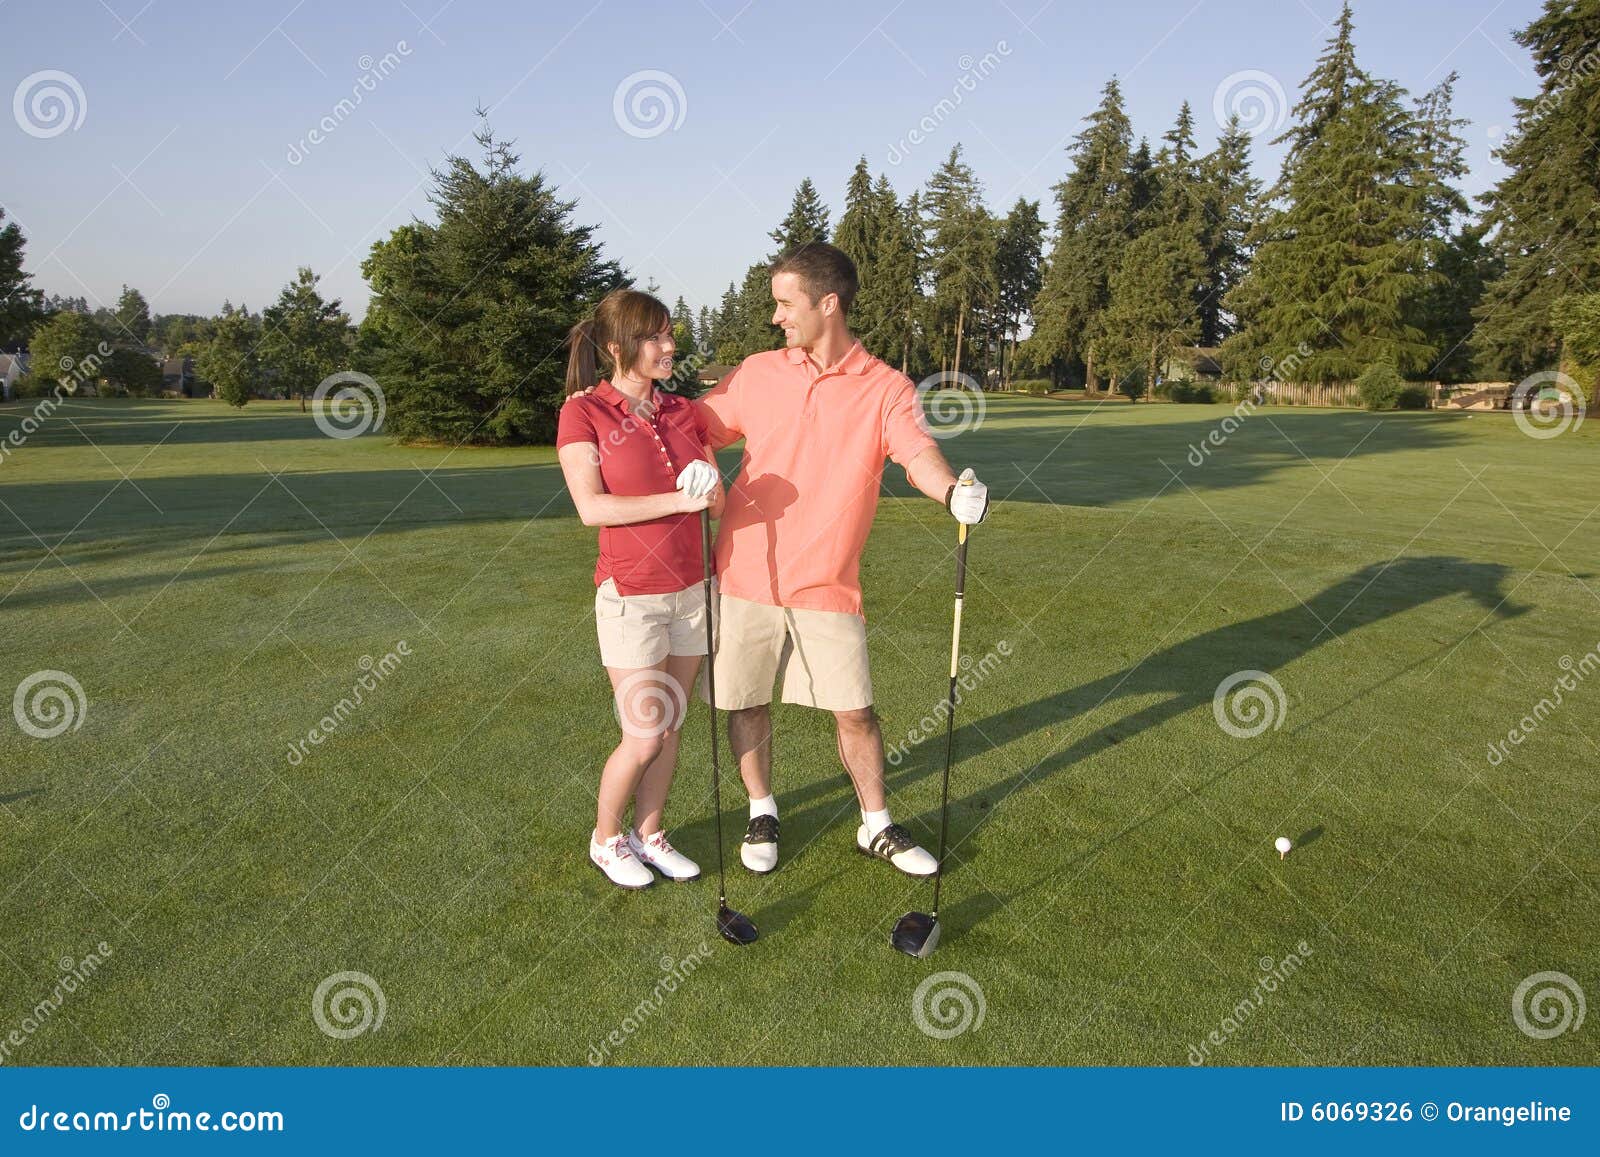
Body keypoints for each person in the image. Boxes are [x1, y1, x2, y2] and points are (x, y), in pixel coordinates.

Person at [694, 242, 989, 878]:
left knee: (855, 710)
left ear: (828, 304)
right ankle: (761, 809)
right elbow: (694, 427)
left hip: (827, 583)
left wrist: (952, 492)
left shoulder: (885, 387)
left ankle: (874, 824)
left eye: (784, 303)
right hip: (744, 572)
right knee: (746, 702)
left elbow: (917, 453)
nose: (776, 317)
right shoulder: (759, 371)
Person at [556, 288, 725, 889]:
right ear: (615, 347)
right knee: (645, 731)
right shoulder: (584, 413)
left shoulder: (683, 410)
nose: (669, 345)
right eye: (654, 337)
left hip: (693, 589)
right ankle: (607, 839)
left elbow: (716, 500)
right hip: (632, 595)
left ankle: (650, 834)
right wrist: (681, 497)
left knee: (672, 725)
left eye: (669, 333)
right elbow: (590, 507)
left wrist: (708, 480)